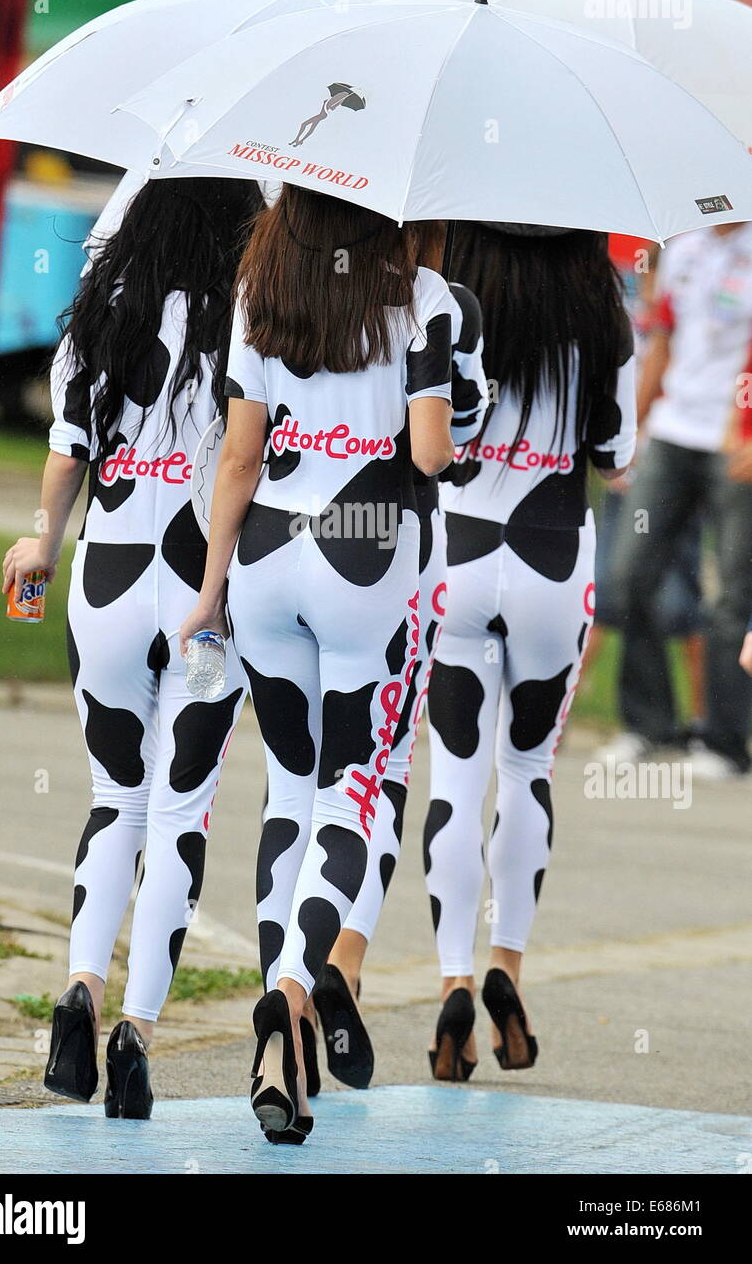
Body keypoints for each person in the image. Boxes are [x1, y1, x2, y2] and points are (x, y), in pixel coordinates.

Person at [179, 184, 457, 1143]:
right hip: (366, 554)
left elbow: (238, 460)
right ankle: (296, 988)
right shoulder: (425, 298)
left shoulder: (260, 295)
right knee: (353, 792)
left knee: (287, 794)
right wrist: (463, 418)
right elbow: (426, 454)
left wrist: (209, 592)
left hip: (262, 558)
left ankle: (279, 1050)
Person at [2, 177, 262, 1118]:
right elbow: (251, 457)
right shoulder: (251, 313)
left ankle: (80, 987)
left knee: (115, 799)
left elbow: (68, 451)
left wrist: (41, 541)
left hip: (102, 584)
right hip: (204, 599)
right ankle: (138, 1031)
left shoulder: (99, 313)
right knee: (180, 810)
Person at [423, 221, 637, 1077]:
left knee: (455, 775)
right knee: (527, 772)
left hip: (460, 549)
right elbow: (615, 453)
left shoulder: (453, 301)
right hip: (555, 552)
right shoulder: (602, 308)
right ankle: (507, 964)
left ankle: (452, 980)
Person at [310, 223, 489, 1090]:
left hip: (289, 547)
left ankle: (289, 981)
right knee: (378, 775)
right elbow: (446, 446)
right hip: (401, 559)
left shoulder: (294, 284)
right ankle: (342, 963)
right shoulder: (442, 304)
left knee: (300, 781)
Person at [608, 222, 752, 778]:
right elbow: (663, 343)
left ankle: (724, 742)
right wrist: (631, 433)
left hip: (733, 440)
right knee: (627, 576)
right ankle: (650, 726)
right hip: (672, 434)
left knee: (733, 594)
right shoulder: (683, 247)